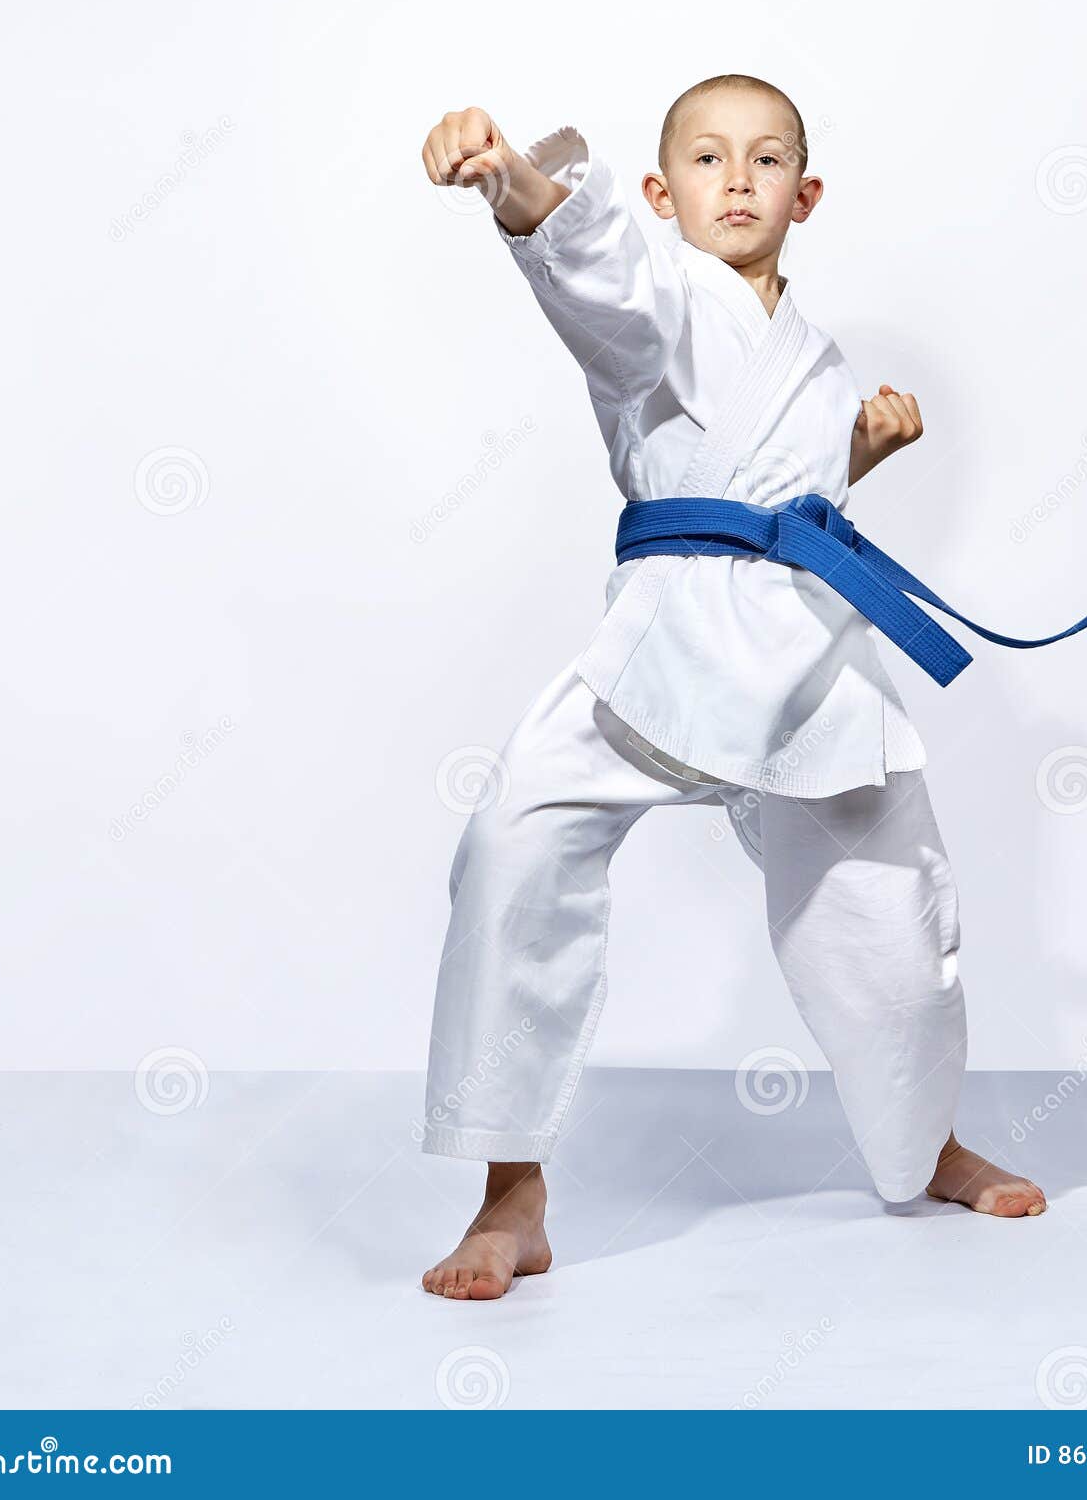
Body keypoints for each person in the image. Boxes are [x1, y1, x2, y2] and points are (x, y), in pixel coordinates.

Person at [416, 75, 1048, 1302]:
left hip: (802, 658)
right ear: (663, 194)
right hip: (657, 649)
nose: (739, 179)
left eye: (766, 161)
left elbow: (773, 482)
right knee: (512, 850)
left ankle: (929, 1146)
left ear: (805, 195)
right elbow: (599, 286)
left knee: (896, 915)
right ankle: (511, 1191)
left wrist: (855, 453)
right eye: (707, 160)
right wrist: (515, 184)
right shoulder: (659, 297)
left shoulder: (814, 354)